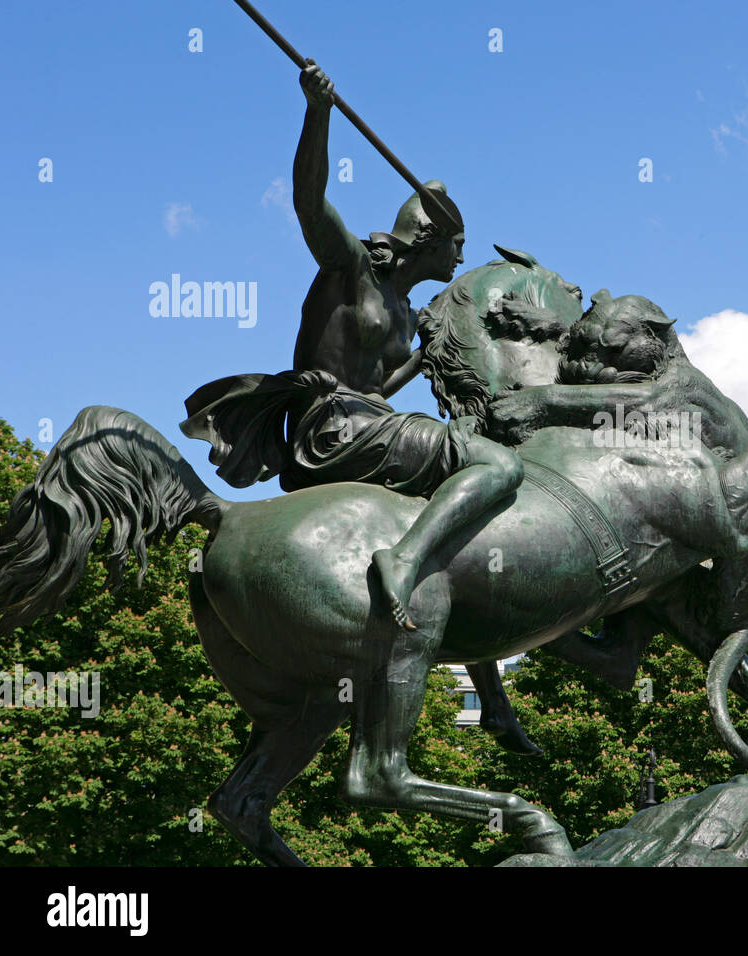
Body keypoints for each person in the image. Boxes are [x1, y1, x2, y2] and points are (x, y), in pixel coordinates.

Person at [182, 61, 522, 631]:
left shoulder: (409, 315)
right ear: (429, 239)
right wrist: (317, 115)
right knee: (495, 463)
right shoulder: (353, 267)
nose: (460, 260)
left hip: (370, 422)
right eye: (455, 245)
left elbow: (379, 388)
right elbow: (308, 203)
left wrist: (423, 355)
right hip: (334, 427)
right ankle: (406, 558)